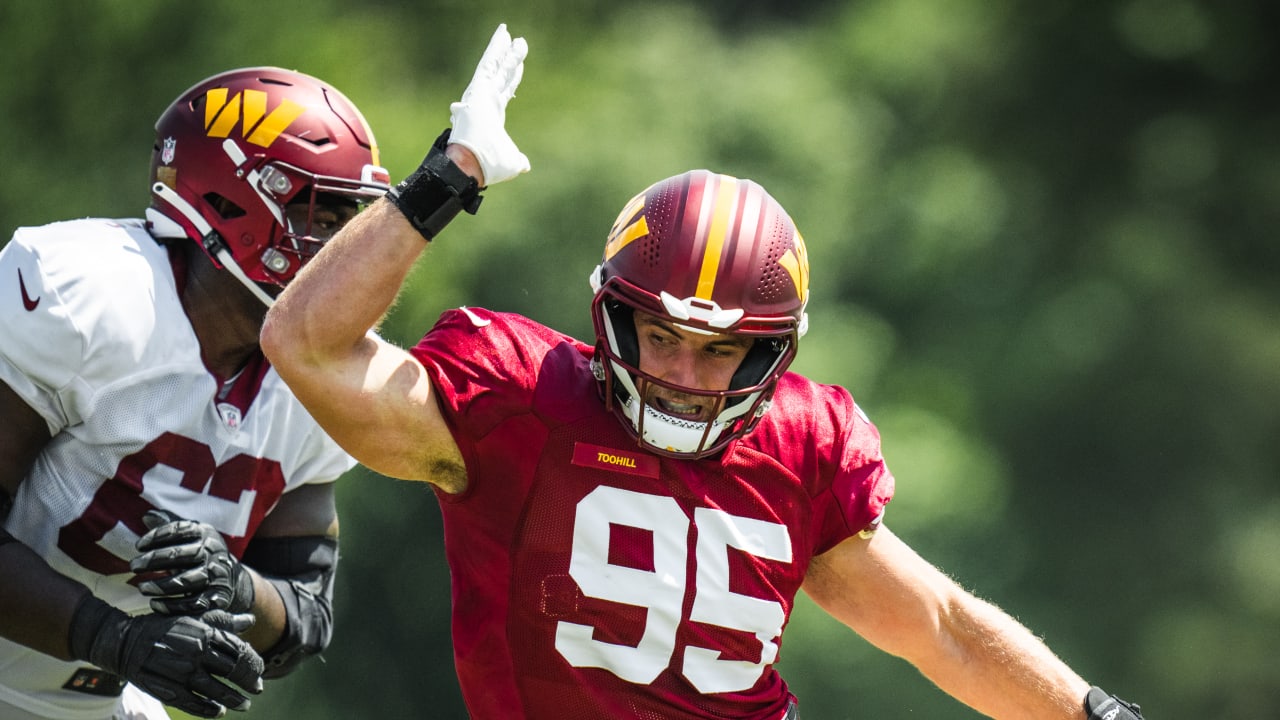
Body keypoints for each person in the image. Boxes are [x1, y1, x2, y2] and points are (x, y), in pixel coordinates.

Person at [260, 23, 1147, 720]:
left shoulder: (800, 449)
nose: (684, 372)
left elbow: (941, 629)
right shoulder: (516, 404)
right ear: (613, 316)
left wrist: (1093, 712)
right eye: (661, 335)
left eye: (721, 349)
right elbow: (308, 346)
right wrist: (445, 178)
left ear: (771, 353)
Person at [0, 64, 393, 720]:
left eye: (350, 216)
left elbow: (303, 620)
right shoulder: (87, 297)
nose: (346, 246)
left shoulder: (324, 375)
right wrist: (114, 638)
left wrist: (237, 588)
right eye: (316, 210)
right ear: (229, 201)